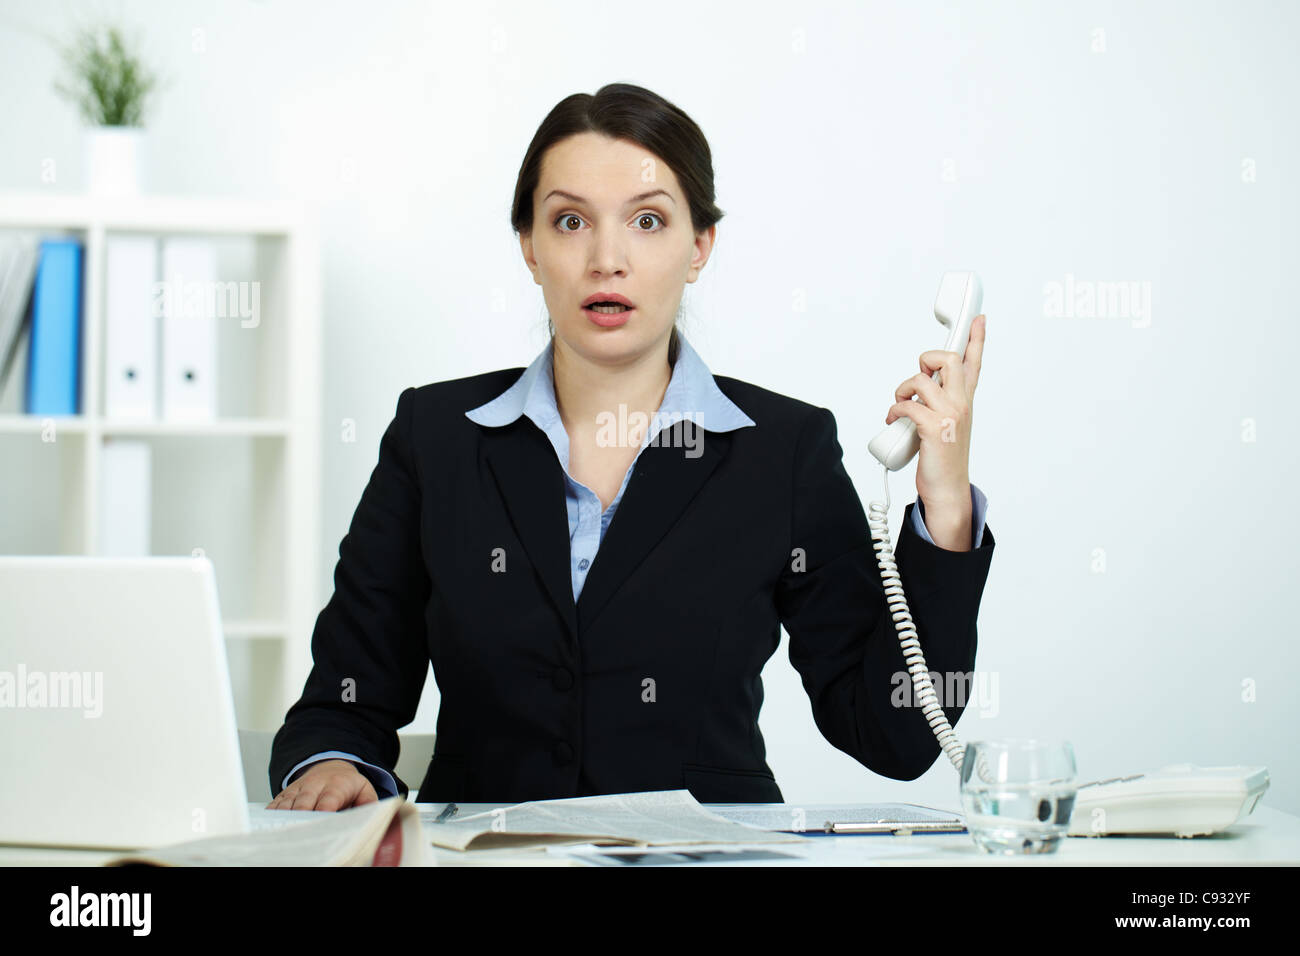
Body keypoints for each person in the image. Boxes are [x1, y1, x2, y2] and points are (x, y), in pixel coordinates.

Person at [267, 83, 994, 811]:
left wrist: (946, 504)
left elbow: (893, 738)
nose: (606, 258)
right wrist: (329, 764)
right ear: (528, 245)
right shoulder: (436, 436)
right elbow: (344, 700)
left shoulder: (784, 450)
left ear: (699, 247)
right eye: (570, 221)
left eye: (647, 221)